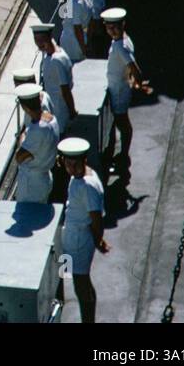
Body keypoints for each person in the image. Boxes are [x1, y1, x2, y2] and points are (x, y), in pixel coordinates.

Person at [58, 137, 107, 323]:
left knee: (81, 283)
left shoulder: (87, 186)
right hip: (73, 233)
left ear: (83, 160)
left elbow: (96, 218)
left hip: (79, 240)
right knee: (71, 275)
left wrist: (98, 240)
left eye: (75, 163)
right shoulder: (82, 175)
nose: (71, 168)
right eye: (68, 163)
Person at [102, 7, 152, 174]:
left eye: (115, 27)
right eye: (109, 27)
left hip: (118, 92)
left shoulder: (120, 47)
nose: (112, 30)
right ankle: (122, 155)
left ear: (122, 24)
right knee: (120, 124)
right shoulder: (122, 40)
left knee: (122, 124)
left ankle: (123, 157)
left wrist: (137, 83)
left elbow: (135, 69)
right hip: (119, 87)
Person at [13, 84, 59, 203]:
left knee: (28, 218)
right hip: (44, 176)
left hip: (32, 185)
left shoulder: (37, 130)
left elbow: (19, 157)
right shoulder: (51, 118)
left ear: (25, 108)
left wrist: (22, 138)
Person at [33, 24, 76, 133]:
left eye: (42, 40)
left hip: (59, 108)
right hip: (54, 106)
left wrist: (72, 111)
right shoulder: (55, 53)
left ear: (49, 37)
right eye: (36, 40)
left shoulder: (56, 60)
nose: (39, 44)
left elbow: (65, 89)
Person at [55, 0, 91, 64]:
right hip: (77, 42)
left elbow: (77, 28)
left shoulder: (76, 4)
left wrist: (83, 50)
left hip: (73, 46)